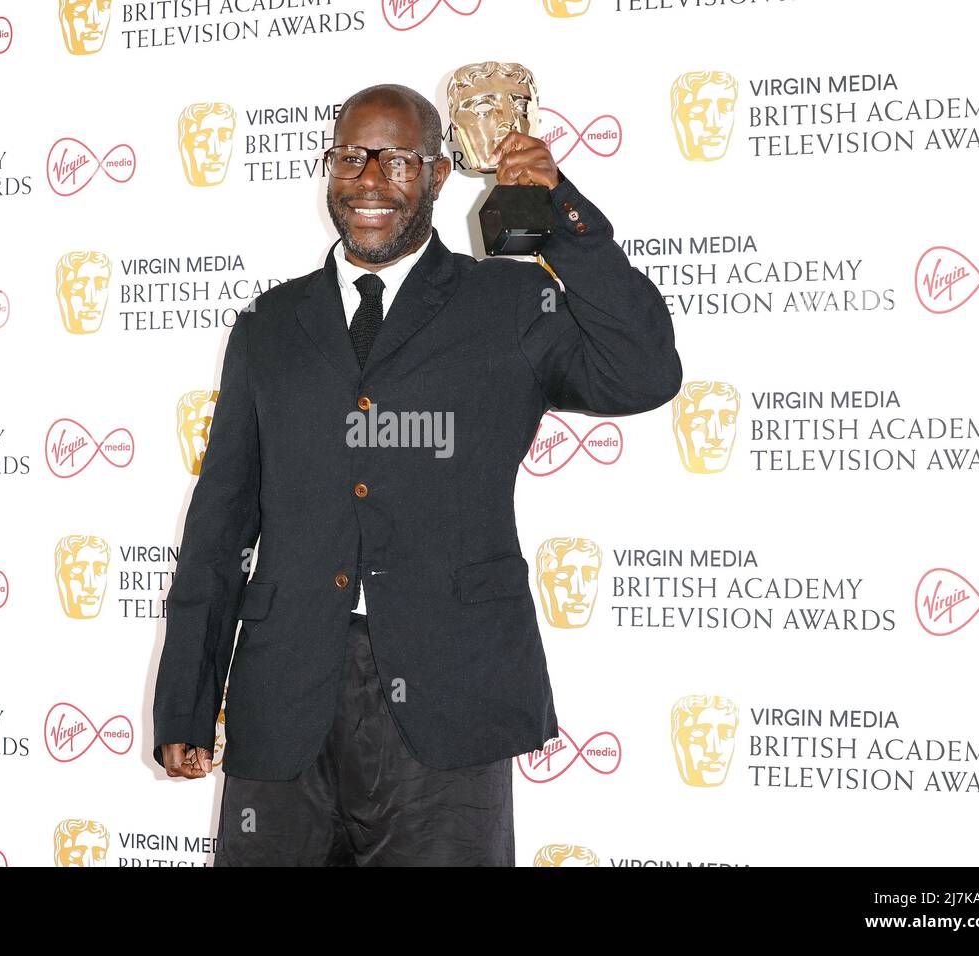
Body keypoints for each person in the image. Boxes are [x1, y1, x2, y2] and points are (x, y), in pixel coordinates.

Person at [151, 82, 683, 866]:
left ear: (438, 175)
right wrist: (187, 704)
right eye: (350, 157)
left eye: (397, 160)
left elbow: (643, 371)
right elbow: (220, 522)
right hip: (285, 697)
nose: (370, 180)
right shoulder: (268, 326)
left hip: (451, 702)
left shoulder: (505, 303)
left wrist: (558, 213)